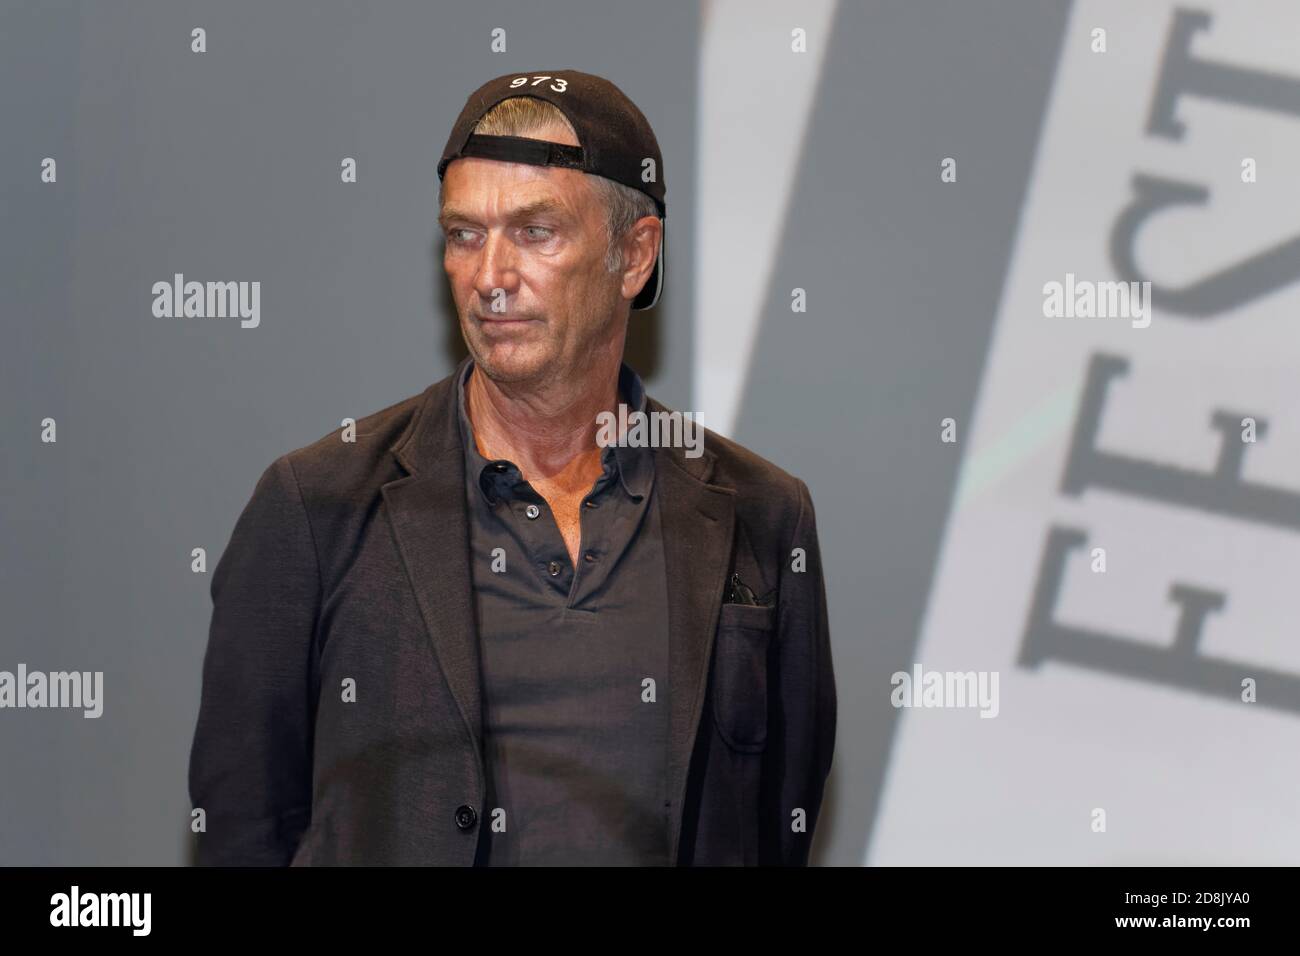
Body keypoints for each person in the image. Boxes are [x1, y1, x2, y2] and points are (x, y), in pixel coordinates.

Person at [188, 69, 836, 866]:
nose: (489, 277)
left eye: (535, 231)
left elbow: (778, 824)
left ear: (633, 256)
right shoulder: (315, 506)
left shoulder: (763, 516)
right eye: (463, 234)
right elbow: (241, 833)